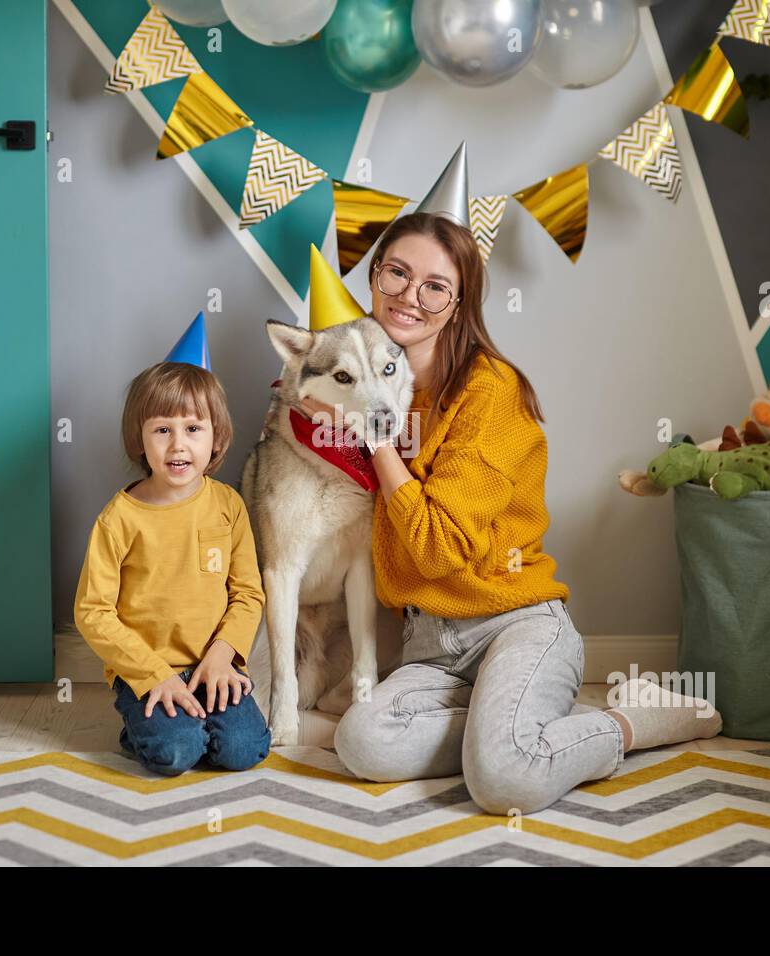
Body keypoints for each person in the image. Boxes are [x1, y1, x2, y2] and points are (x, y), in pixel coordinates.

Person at [304, 213, 722, 815]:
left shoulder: (489, 391)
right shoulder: (360, 379)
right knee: (363, 741)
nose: (409, 296)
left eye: (434, 286)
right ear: (374, 278)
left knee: (505, 783)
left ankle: (633, 720)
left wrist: (373, 439)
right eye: (396, 272)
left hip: (515, 622)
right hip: (429, 641)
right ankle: (510, 727)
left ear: (459, 302)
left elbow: (440, 548)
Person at [74, 361, 270, 776]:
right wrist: (153, 676)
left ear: (216, 437)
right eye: (162, 430)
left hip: (214, 666)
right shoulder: (119, 519)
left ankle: (192, 722)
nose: (178, 445)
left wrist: (222, 656)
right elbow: (93, 612)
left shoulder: (228, 505)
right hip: (148, 672)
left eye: (193, 429)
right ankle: (144, 728)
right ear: (139, 440)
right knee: (176, 754)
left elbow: (248, 594)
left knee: (244, 751)